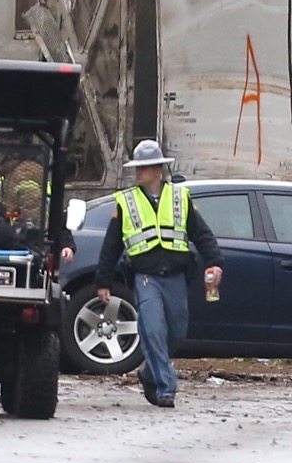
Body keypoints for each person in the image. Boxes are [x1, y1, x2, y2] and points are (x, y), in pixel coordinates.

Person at [93, 139, 223, 408]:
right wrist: (103, 281)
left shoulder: (180, 198)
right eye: (137, 168)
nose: (138, 173)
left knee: (177, 332)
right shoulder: (126, 202)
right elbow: (111, 245)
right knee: (153, 330)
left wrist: (215, 262)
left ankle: (149, 371)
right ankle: (166, 388)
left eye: (143, 168)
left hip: (175, 276)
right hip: (145, 277)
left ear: (157, 170)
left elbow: (202, 234)